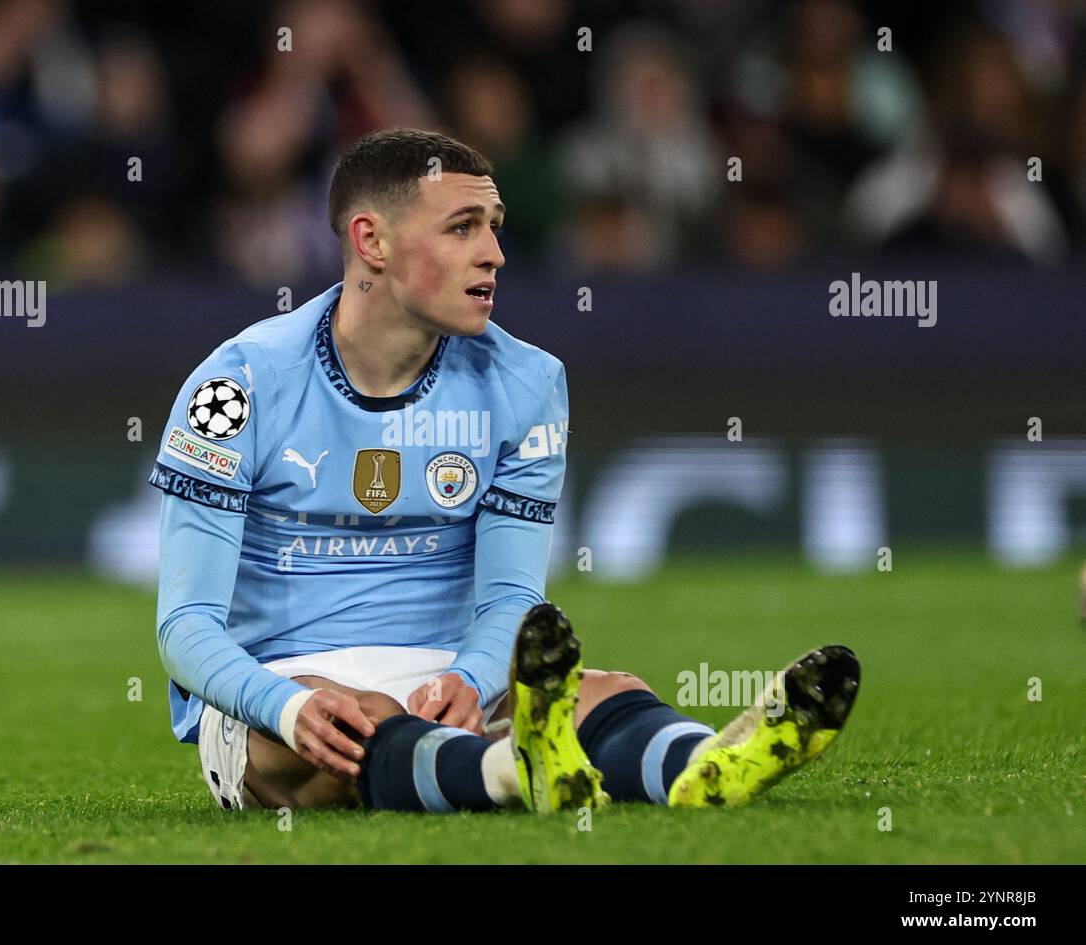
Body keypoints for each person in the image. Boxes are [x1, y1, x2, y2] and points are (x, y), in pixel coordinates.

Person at [150, 128, 860, 814]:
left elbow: (512, 597)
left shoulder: (526, 383)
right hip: (282, 691)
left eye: (494, 225)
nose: (494, 253)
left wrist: (471, 676)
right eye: (463, 227)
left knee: (603, 691)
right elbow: (185, 623)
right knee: (352, 726)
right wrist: (289, 704)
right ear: (372, 241)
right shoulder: (240, 386)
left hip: (445, 679)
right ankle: (508, 768)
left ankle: (705, 763)